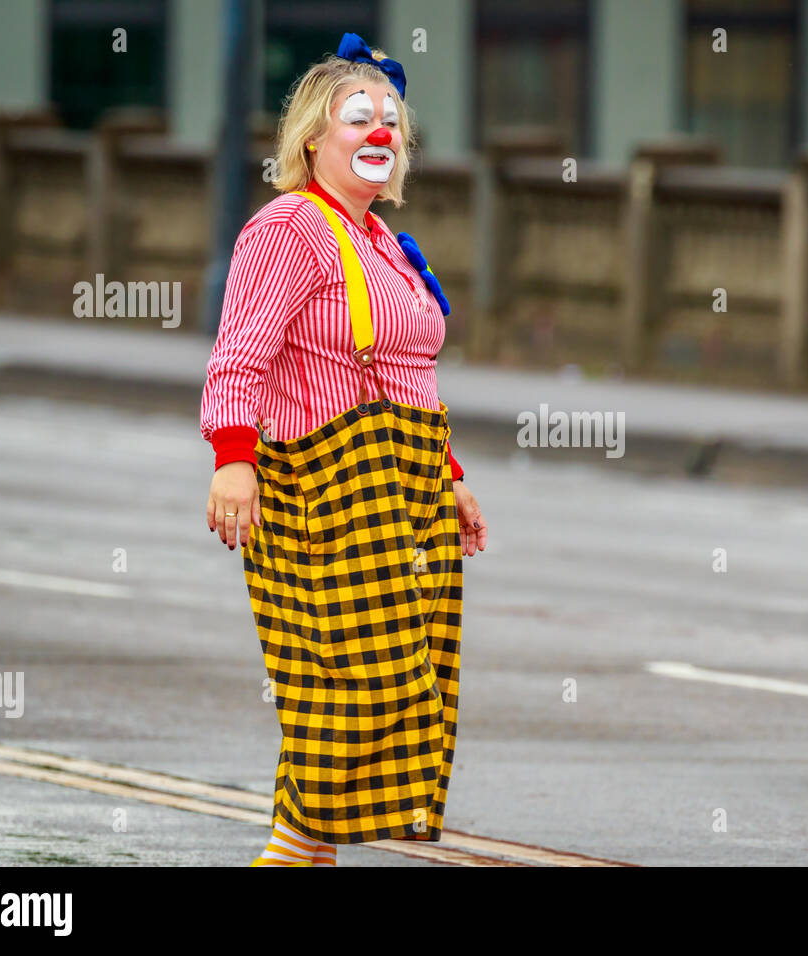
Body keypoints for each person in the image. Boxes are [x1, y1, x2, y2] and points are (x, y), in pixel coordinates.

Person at [200, 32, 487, 866]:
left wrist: (452, 476)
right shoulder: (288, 226)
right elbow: (240, 354)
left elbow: (409, 374)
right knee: (353, 685)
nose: (380, 133)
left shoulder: (386, 243)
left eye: (390, 121)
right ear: (311, 141)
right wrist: (232, 456)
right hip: (326, 491)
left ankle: (304, 855)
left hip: (406, 490)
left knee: (411, 680)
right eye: (358, 118)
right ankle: (295, 851)